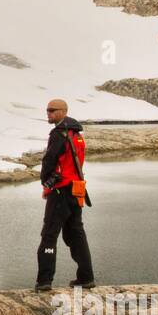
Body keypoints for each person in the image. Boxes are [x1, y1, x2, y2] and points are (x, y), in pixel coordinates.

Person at [35, 99, 95, 292]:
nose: (48, 113)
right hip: (76, 190)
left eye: (52, 110)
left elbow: (49, 160)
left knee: (49, 236)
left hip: (60, 191)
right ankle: (86, 278)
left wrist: (46, 182)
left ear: (63, 112)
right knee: (76, 234)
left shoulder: (59, 134)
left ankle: (44, 281)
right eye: (47, 110)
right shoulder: (76, 134)